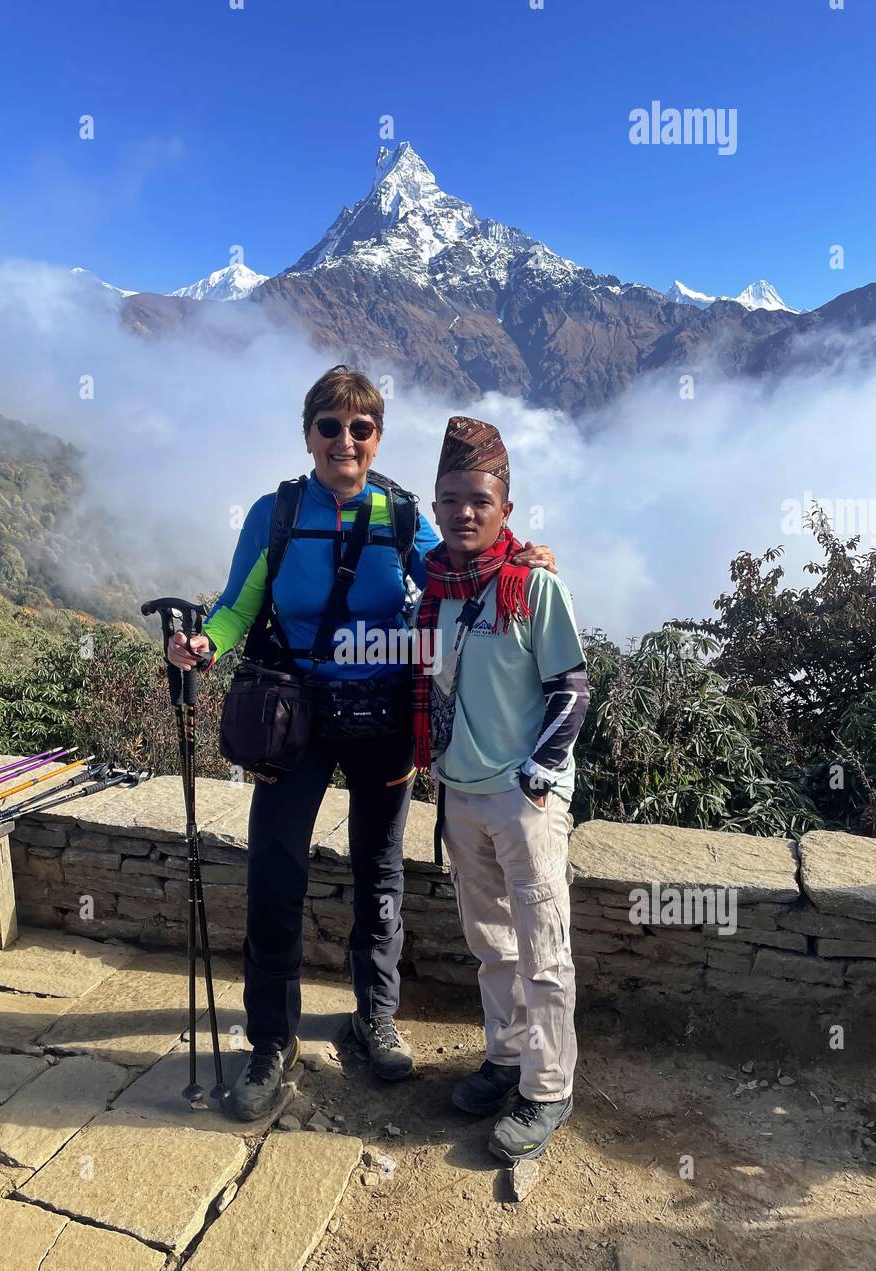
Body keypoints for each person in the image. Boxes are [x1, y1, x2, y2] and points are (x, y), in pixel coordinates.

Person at [167, 368, 556, 1120]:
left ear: (376, 437)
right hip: (295, 720)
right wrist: (204, 647)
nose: (344, 441)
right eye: (329, 426)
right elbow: (237, 603)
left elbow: (457, 582)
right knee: (274, 876)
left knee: (379, 876)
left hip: (383, 718)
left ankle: (373, 1018)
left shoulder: (403, 515)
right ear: (308, 432)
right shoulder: (275, 513)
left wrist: (526, 564)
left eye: (360, 428)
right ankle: (269, 1042)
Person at [413, 416, 589, 1162]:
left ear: (504, 509)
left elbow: (571, 691)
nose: (465, 512)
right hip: (458, 794)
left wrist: (536, 777)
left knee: (542, 949)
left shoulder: (532, 586)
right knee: (491, 945)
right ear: (435, 506)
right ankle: (506, 1057)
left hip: (523, 801)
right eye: (450, 499)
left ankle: (548, 1087)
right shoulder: (436, 590)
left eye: (479, 501)